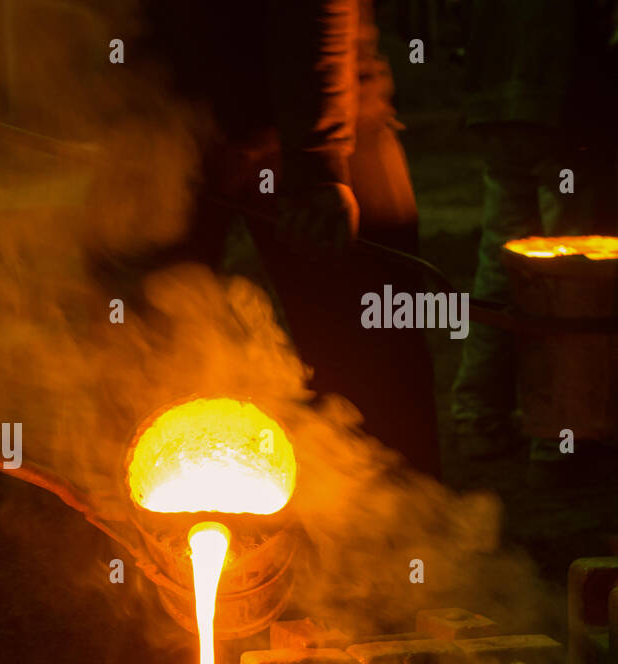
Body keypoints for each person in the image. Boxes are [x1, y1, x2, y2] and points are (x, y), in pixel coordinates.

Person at [138, 0, 443, 477]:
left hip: (307, 122)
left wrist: (320, 158)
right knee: (143, 348)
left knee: (368, 365)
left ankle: (396, 531)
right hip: (174, 120)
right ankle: (133, 529)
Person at [451, 0, 618, 469]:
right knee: (577, 280)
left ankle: (479, 418)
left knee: (501, 265)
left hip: (498, 108)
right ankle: (567, 434)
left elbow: (455, 22)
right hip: (566, 106)